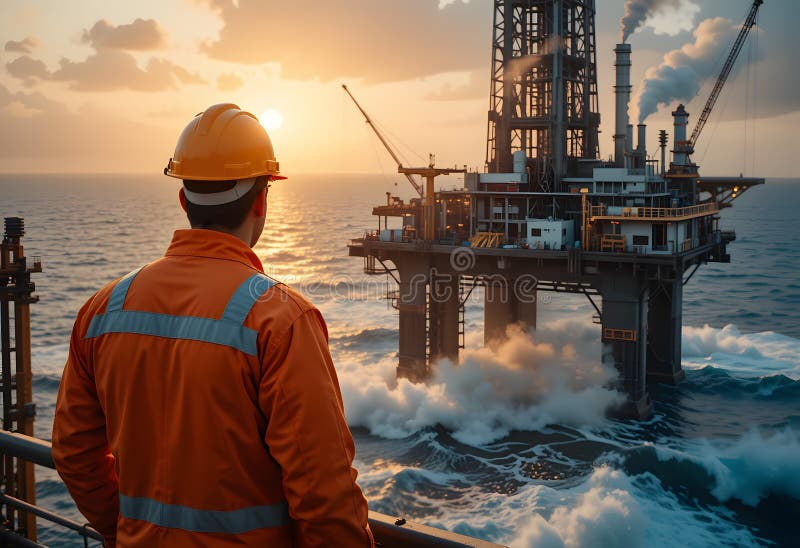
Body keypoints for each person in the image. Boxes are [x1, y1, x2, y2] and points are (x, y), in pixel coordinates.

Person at [52, 103, 374, 547]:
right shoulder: (280, 319)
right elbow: (324, 495)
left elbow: (73, 453)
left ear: (183, 199)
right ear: (262, 200)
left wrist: (118, 529)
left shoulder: (102, 310)